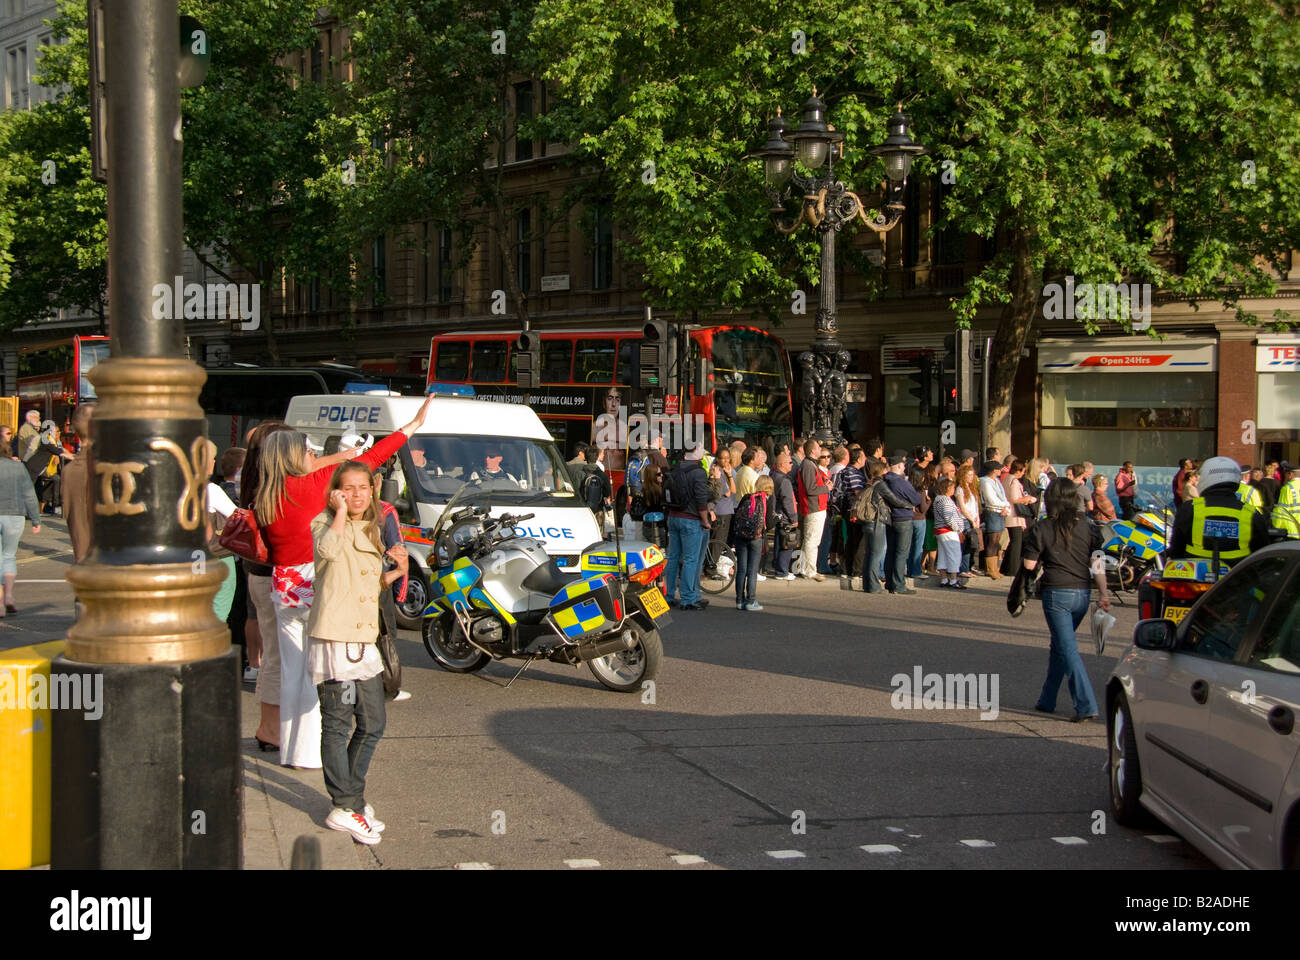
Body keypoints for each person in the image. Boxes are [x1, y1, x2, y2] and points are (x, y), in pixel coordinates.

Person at [255, 395, 432, 769]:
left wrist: (332, 458)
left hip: (282, 584)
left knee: (291, 670)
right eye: (305, 449)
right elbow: (370, 460)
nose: (310, 454)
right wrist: (411, 427)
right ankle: (307, 754)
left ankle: (290, 748)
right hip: (316, 582)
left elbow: (326, 465)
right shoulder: (312, 486)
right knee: (315, 674)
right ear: (293, 456)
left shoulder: (268, 491)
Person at [310, 461, 392, 845]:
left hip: (364, 641)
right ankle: (343, 806)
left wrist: (391, 574)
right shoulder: (325, 524)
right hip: (335, 641)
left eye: (362, 488)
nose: (357, 494)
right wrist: (339, 513)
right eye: (348, 488)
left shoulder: (373, 529)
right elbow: (327, 551)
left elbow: (365, 585)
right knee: (338, 724)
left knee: (373, 723)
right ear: (335, 492)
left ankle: (353, 800)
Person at [1023, 481, 1110, 722]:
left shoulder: (1043, 527)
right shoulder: (1089, 527)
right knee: (1060, 646)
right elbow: (1098, 563)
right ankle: (1047, 699)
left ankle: (1086, 705)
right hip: (1082, 593)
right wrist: (1104, 593)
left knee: (1067, 648)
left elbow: (1029, 565)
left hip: (1056, 593)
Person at [243, 421, 294, 749]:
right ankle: (270, 729)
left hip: (260, 574)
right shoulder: (272, 488)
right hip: (273, 574)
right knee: (279, 656)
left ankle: (272, 727)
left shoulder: (255, 480)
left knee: (276, 654)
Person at [1167, 456, 1270, 565]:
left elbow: (1176, 551)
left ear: (1206, 478)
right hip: (1236, 579)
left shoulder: (1189, 509)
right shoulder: (1251, 513)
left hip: (1195, 578)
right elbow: (1262, 556)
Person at [372, 468, 412, 703]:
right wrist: (400, 594)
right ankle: (387, 687)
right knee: (385, 637)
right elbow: (398, 549)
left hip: (367, 583)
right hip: (380, 583)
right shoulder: (385, 510)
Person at [663, 444, 711, 610]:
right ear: (697, 452)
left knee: (673, 557)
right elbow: (701, 499)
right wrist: (705, 520)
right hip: (691, 520)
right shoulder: (698, 472)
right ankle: (688, 598)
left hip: (673, 517)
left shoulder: (675, 469)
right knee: (691, 559)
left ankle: (668, 595)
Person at [0, 439, 42, 616]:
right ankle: (8, 596)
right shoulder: (18, 467)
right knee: (8, 556)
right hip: (15, 516)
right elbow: (29, 494)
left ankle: (0, 603)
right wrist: (35, 519)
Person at [881, 453, 923, 594]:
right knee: (901, 553)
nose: (905, 467)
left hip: (890, 518)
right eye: (904, 464)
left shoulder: (885, 480)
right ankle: (899, 584)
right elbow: (916, 499)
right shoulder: (900, 482)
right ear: (899, 465)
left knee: (891, 552)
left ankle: (890, 582)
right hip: (903, 519)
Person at [731, 475, 775, 611]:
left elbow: (737, 515)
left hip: (741, 536)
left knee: (741, 569)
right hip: (756, 537)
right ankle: (750, 601)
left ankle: (739, 600)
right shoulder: (767, 500)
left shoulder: (747, 497)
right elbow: (768, 523)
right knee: (752, 570)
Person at [61, 403, 97, 564]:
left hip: (83, 563)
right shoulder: (109, 466)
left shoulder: (68, 471)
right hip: (112, 565)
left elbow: (71, 518)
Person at [795, 439, 829, 580]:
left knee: (809, 540)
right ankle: (810, 570)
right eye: (818, 447)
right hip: (814, 507)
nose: (820, 449)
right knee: (812, 541)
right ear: (812, 451)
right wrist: (826, 488)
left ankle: (803, 568)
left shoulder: (809, 464)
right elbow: (810, 488)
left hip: (815, 506)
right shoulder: (809, 465)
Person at [26, 422, 74, 515]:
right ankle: (26, 511)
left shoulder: (53, 441)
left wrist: (72, 455)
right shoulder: (46, 440)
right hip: (34, 467)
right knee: (28, 489)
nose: (56, 433)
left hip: (41, 468)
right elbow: (59, 451)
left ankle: (35, 510)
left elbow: (61, 449)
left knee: (33, 489)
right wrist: (74, 457)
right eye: (53, 431)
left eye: (57, 431)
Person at [931, 477, 968, 589]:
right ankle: (953, 580)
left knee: (942, 555)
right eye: (952, 487)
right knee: (954, 555)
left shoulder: (938, 500)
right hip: (948, 531)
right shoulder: (946, 501)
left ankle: (944, 579)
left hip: (940, 531)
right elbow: (949, 518)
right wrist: (958, 529)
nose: (953, 490)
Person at [1002, 459, 1036, 581]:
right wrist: (1028, 498)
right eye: (1022, 471)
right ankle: (1012, 568)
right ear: (1018, 470)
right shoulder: (1014, 481)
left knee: (1013, 542)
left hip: (1010, 514)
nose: (1023, 474)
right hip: (1014, 515)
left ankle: (1006, 567)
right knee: (1016, 542)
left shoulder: (1006, 479)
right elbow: (1015, 499)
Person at [706, 448, 737, 580]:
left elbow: (734, 490)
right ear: (717, 458)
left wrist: (729, 474)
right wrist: (729, 475)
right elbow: (728, 492)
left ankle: (713, 566)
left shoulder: (724, 471)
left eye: (727, 458)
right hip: (720, 511)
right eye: (723, 458)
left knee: (720, 541)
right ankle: (711, 569)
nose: (726, 461)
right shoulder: (716, 471)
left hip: (726, 510)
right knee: (717, 542)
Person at [978, 460, 1011, 579]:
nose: (999, 470)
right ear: (992, 470)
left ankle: (995, 567)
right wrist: (1004, 505)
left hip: (1001, 512)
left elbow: (1004, 497)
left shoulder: (997, 481)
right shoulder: (985, 482)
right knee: (992, 540)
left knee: (997, 541)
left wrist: (1006, 507)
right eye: (998, 468)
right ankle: (990, 568)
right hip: (991, 511)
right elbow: (991, 499)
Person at [769, 451, 798, 580]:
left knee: (778, 541)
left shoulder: (773, 476)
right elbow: (788, 501)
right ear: (782, 464)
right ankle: (782, 571)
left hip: (777, 515)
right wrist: (793, 518)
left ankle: (778, 568)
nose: (792, 465)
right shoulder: (784, 481)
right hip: (785, 516)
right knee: (787, 541)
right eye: (790, 462)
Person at [954, 464, 982, 578]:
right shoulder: (960, 489)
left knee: (970, 547)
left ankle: (966, 568)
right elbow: (962, 507)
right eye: (969, 475)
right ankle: (961, 568)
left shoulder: (972, 489)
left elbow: (974, 506)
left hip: (973, 519)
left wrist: (977, 519)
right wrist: (971, 519)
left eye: (972, 474)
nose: (971, 477)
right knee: (964, 545)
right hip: (964, 520)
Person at [640, 462, 667, 549]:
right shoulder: (658, 491)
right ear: (652, 476)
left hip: (646, 526)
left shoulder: (643, 490)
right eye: (659, 474)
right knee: (660, 551)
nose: (662, 475)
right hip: (658, 527)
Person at [1272, 462, 1300, 539]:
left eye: (1286, 473)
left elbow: (1281, 510)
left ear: (1290, 474)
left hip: (1292, 530)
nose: (1284, 475)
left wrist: (1275, 526)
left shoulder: (1288, 488)